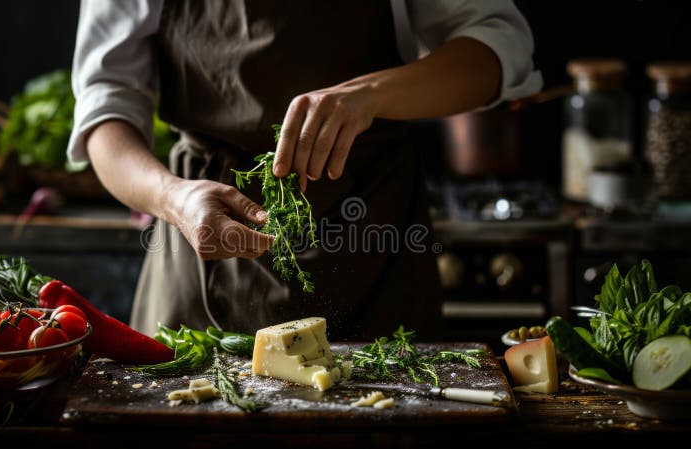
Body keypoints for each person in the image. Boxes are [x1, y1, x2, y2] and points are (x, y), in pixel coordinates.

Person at [68, 0, 542, 341]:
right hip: (198, 245)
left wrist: (371, 94)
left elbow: (499, 45)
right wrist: (174, 197)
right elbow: (105, 110)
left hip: (376, 244)